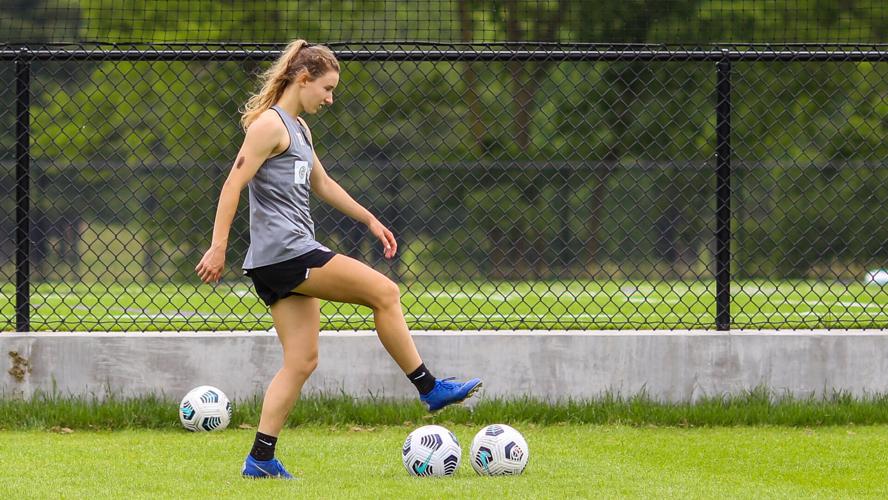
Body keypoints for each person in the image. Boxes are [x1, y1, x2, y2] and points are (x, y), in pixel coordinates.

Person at [195, 39, 482, 480]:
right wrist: (217, 246)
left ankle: (260, 459)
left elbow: (323, 184)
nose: (330, 98)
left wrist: (369, 219)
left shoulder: (300, 130)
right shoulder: (268, 126)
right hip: (287, 254)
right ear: (303, 79)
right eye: (326, 88)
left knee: (302, 361)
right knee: (386, 292)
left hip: (280, 260)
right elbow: (233, 184)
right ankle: (429, 388)